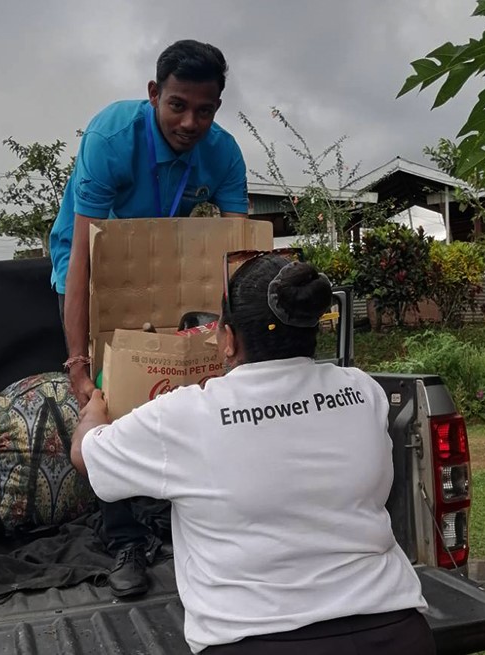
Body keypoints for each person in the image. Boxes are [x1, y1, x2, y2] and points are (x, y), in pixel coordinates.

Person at [69, 252, 436, 655]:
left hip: (257, 639)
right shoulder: (362, 391)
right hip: (394, 632)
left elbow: (87, 457)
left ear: (228, 339)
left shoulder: (187, 415)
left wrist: (93, 415)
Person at [48, 39, 249, 598]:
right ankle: (124, 538)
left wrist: (239, 349)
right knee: (109, 400)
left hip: (169, 269)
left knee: (189, 387)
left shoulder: (224, 154)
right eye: (178, 105)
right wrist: (79, 362)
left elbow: (237, 256)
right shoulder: (111, 138)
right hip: (95, 264)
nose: (191, 122)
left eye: (205, 110)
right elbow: (88, 258)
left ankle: (186, 516)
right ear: (154, 94)